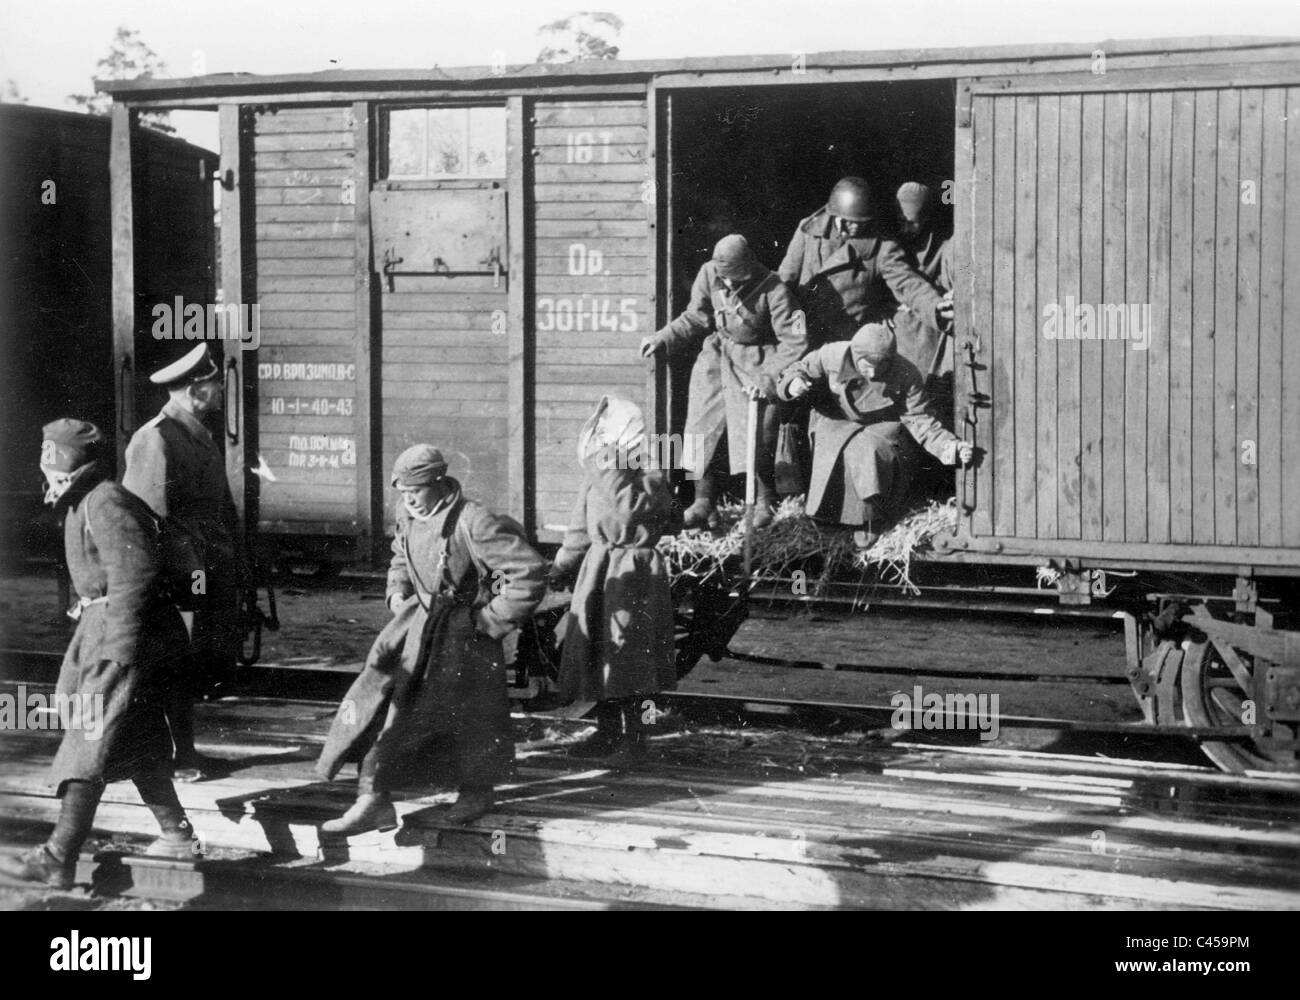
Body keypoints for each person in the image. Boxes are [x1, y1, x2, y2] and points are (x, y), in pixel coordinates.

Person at [0, 421, 199, 889]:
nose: (47, 473)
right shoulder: (84, 502)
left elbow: (136, 576)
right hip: (103, 629)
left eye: (54, 462)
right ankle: (178, 834)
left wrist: (118, 650)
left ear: (70, 464)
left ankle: (57, 855)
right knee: (133, 736)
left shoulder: (104, 500)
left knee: (88, 737)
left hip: (122, 632)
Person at [315, 445, 547, 832]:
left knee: (471, 719)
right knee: (379, 704)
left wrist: (492, 619)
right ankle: (372, 799)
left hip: (464, 635)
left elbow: (529, 571)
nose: (408, 500)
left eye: (416, 491)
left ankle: (477, 793)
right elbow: (400, 557)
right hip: (414, 628)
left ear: (439, 484)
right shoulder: (408, 513)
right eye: (402, 492)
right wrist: (396, 591)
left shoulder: (474, 521)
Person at [122, 344, 244, 781]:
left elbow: (220, 505)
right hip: (181, 571)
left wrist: (236, 556)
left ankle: (187, 753)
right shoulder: (155, 438)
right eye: (214, 384)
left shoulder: (196, 432)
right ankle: (166, 759)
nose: (220, 390)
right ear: (196, 389)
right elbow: (143, 522)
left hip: (206, 562)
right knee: (171, 661)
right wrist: (175, 579)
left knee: (193, 662)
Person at [640, 234, 807, 528]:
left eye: (736, 279)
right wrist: (663, 337)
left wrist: (768, 379)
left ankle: (764, 502)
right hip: (718, 354)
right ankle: (704, 501)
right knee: (699, 426)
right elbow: (697, 316)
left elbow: (795, 341)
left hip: (758, 359)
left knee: (756, 432)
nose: (729, 285)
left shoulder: (775, 289)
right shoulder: (709, 273)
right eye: (725, 279)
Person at [550, 396, 677, 759]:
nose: (600, 440)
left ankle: (637, 740)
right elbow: (580, 525)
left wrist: (606, 466)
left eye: (607, 432)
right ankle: (605, 732)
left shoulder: (650, 470)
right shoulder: (602, 472)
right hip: (599, 568)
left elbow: (631, 508)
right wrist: (561, 564)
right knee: (597, 653)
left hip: (634, 572)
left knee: (630, 656)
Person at [777, 324, 974, 549]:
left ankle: (870, 519)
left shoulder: (905, 374)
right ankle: (828, 515)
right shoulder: (833, 355)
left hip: (882, 425)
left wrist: (948, 446)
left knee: (868, 449)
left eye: (880, 366)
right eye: (866, 365)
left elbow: (921, 418)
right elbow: (800, 367)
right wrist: (794, 383)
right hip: (839, 418)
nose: (872, 373)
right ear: (855, 355)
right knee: (830, 444)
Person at [778, 177, 953, 348]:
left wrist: (934, 306)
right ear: (837, 216)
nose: (856, 228)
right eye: (851, 223)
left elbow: (905, 281)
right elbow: (786, 280)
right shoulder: (809, 232)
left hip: (843, 340)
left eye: (861, 223)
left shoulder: (882, 246)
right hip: (802, 331)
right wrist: (791, 331)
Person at [890, 182, 954, 399]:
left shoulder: (946, 246)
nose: (906, 229)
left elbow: (966, 269)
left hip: (929, 333)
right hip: (897, 335)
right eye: (901, 222)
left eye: (913, 223)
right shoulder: (889, 246)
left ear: (926, 220)